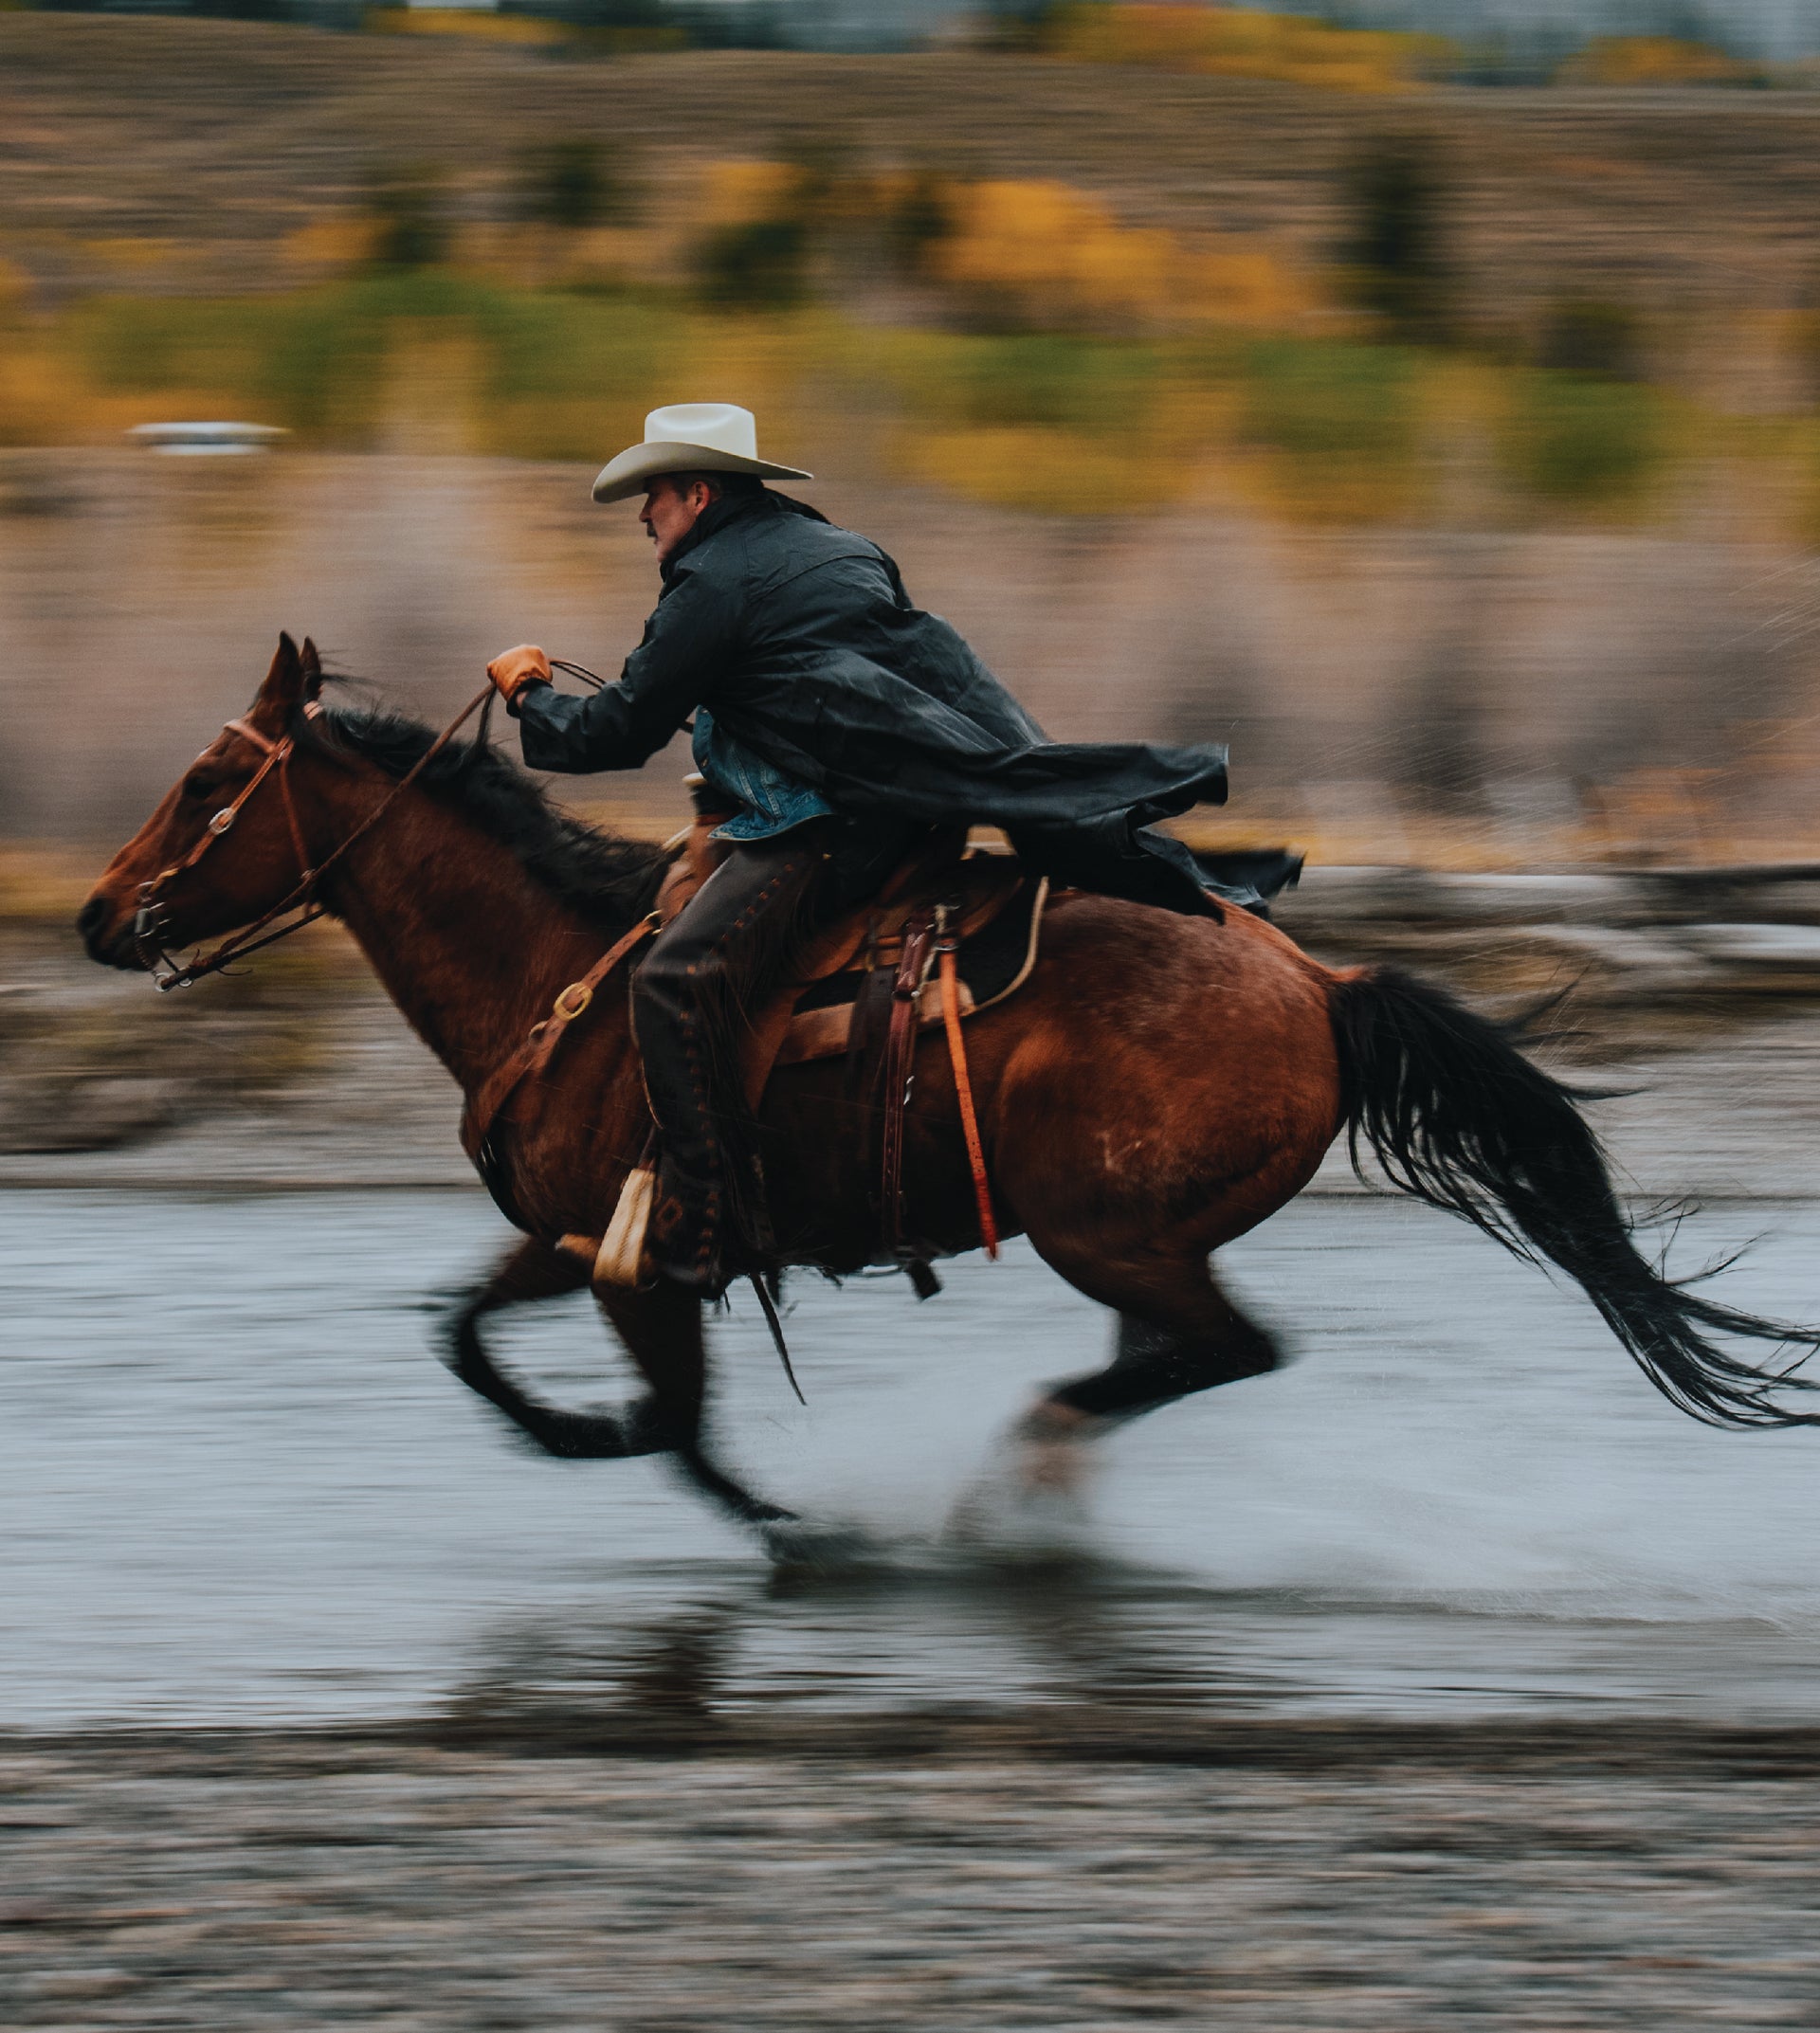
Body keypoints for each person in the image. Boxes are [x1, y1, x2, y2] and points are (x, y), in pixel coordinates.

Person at [488, 403, 1256, 1293]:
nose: (642, 516)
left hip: (827, 827)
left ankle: (698, 1221)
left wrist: (529, 696)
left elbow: (614, 733)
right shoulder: (841, 547)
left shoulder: (710, 585)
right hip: (910, 806)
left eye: (653, 496)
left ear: (698, 493)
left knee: (674, 981)